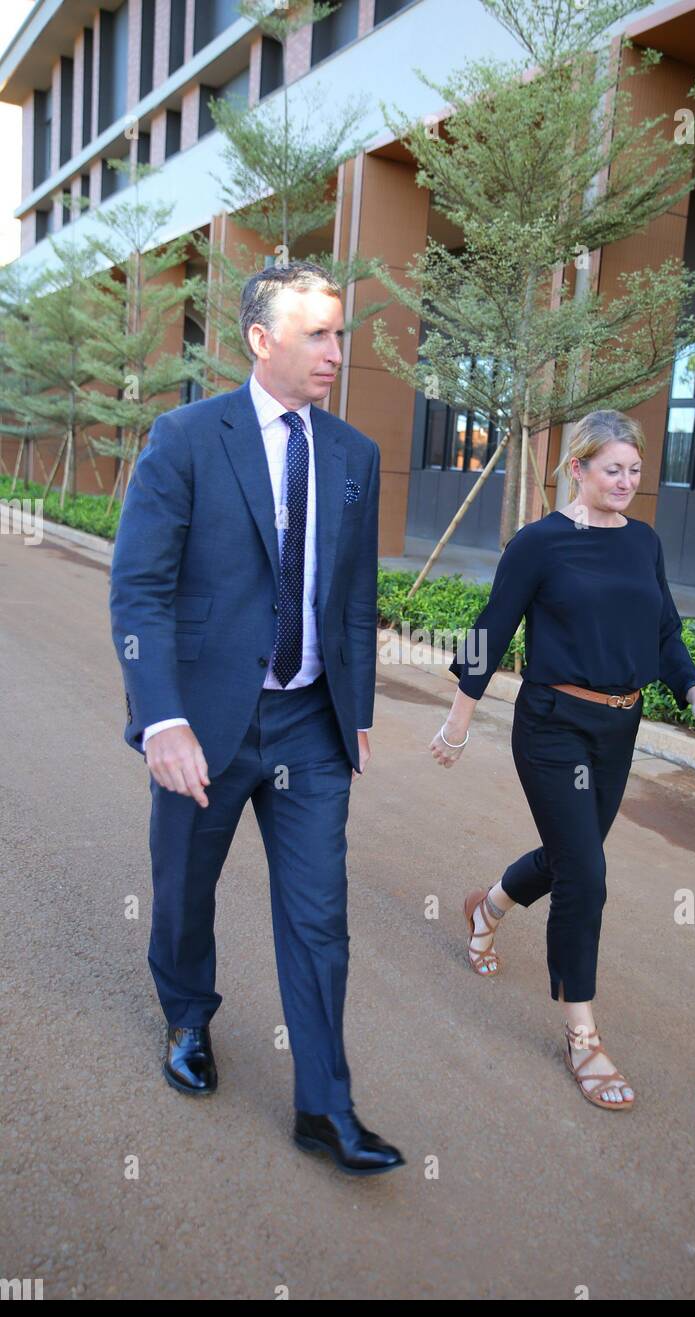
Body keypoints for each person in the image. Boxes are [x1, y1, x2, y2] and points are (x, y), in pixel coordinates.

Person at [109, 261, 404, 1176]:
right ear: (260, 340)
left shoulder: (353, 454)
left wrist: (353, 706)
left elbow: (355, 597)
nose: (335, 351)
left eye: (340, 332)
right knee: (185, 888)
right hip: (207, 723)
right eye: (316, 334)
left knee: (320, 918)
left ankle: (325, 1107)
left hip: (311, 725)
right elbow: (141, 588)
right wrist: (161, 720)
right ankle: (188, 1018)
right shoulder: (189, 437)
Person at [430, 409, 695, 1112]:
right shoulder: (539, 545)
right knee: (586, 875)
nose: (625, 482)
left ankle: (489, 908)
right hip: (554, 723)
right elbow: (490, 631)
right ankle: (583, 1037)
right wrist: (458, 722)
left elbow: (663, 630)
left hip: (619, 728)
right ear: (578, 470)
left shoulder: (643, 544)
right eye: (611, 469)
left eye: (633, 471)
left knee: (575, 854)